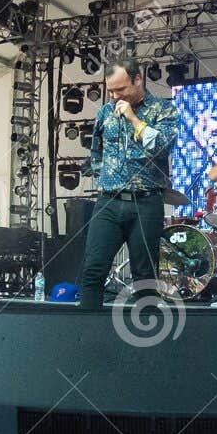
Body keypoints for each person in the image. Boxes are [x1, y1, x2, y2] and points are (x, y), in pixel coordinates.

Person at [79, 59, 179, 309]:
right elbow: (96, 152)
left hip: (146, 202)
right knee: (93, 268)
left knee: (144, 276)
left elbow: (162, 146)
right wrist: (106, 179)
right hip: (109, 201)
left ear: (138, 79)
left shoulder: (163, 109)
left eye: (120, 89)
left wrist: (134, 119)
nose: (115, 96)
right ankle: (85, 329)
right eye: (111, 91)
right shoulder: (105, 112)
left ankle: (147, 330)